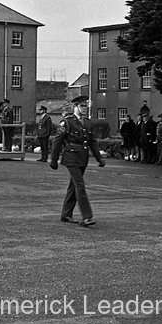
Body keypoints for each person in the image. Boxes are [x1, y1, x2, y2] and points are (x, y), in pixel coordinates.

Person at [50, 95, 105, 227]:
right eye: (82, 106)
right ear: (75, 107)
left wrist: (99, 158)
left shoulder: (87, 123)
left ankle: (66, 214)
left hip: (83, 158)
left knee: (73, 186)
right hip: (71, 157)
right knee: (79, 185)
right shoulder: (67, 122)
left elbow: (92, 142)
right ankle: (87, 216)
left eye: (86, 106)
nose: (85, 108)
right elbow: (57, 141)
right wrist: (54, 159)